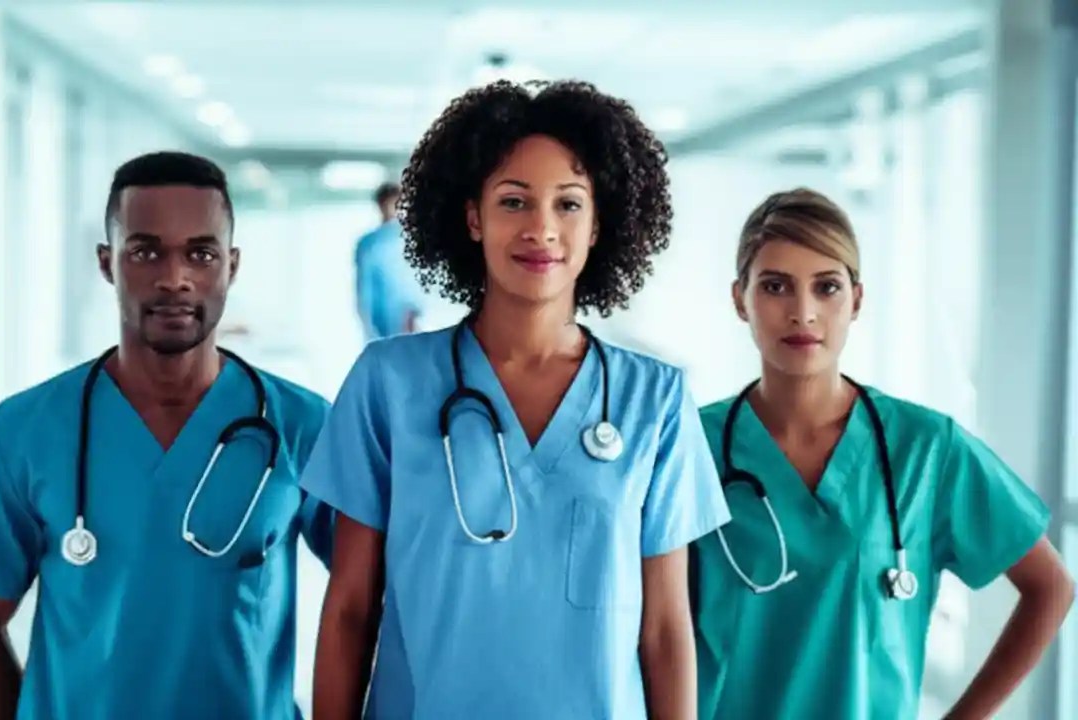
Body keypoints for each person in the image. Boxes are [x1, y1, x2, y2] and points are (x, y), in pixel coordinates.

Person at [301, 80, 731, 720]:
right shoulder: (388, 383)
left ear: (597, 224)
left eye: (568, 204)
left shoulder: (655, 400)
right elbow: (351, 606)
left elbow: (667, 630)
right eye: (513, 201)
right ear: (473, 217)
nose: (541, 228)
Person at [0, 151, 335, 720]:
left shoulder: (301, 425)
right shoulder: (25, 430)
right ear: (106, 262)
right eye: (144, 252)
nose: (174, 277)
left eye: (201, 253)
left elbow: (373, 599)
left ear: (231, 266)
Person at [689, 188, 1075, 719]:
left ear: (857, 300)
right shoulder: (691, 446)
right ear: (740, 299)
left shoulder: (926, 447)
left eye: (827, 287)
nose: (803, 312)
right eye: (776, 286)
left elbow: (1050, 586)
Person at [353, 181, 424, 339]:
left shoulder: (410, 239)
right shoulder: (369, 243)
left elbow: (417, 282)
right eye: (387, 204)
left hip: (407, 315)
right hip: (380, 314)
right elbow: (363, 287)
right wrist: (367, 322)